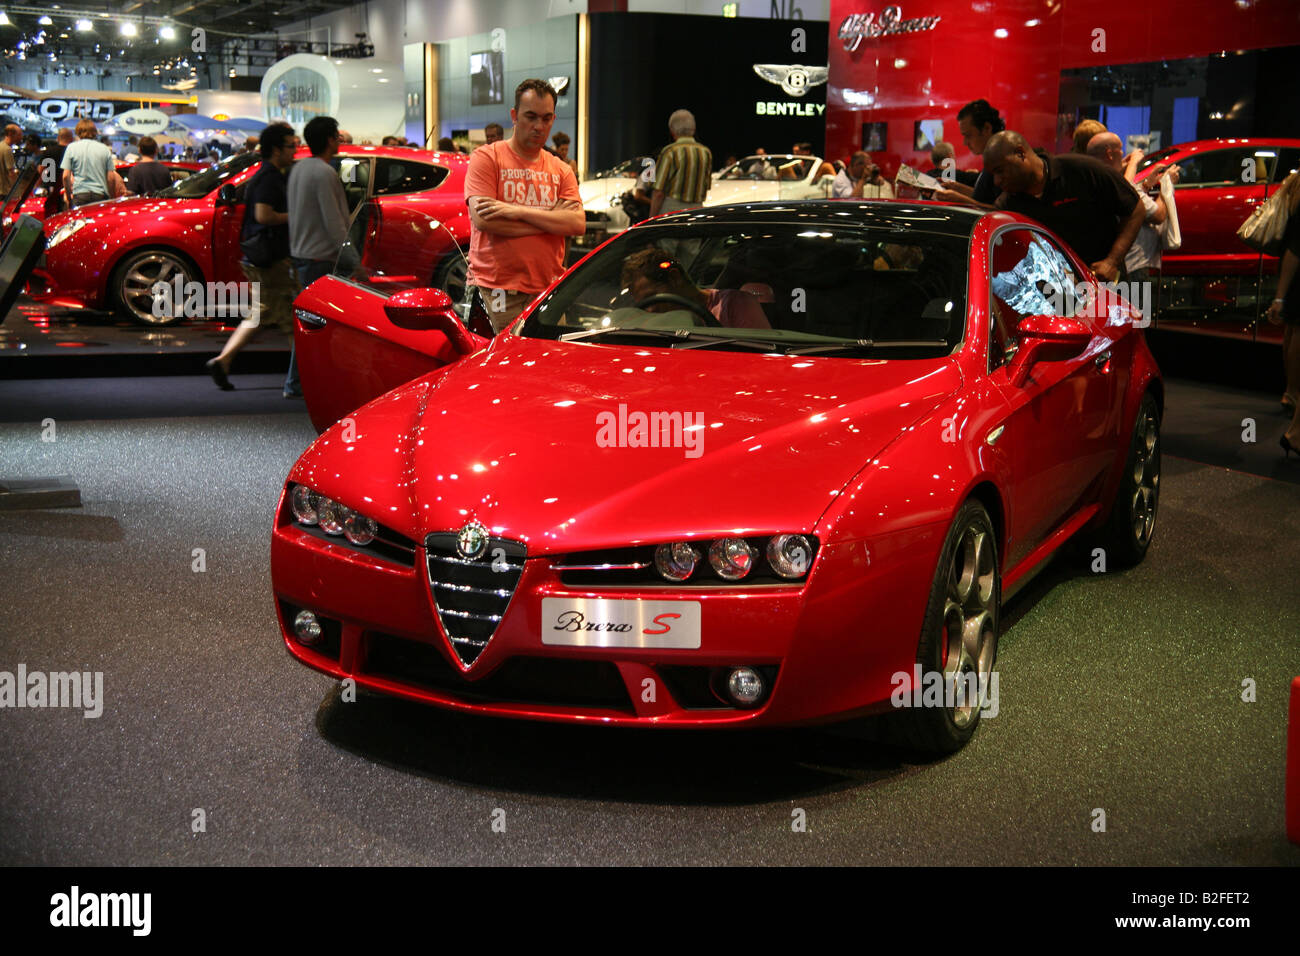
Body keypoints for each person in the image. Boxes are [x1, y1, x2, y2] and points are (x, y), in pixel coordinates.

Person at [464, 78, 584, 333]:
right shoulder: (487, 158)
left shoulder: (561, 169)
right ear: (514, 115)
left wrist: (517, 211)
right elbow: (485, 220)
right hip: (497, 290)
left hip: (548, 290)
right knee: (498, 368)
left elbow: (576, 223)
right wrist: (551, 221)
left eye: (546, 118)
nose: (539, 126)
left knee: (548, 367)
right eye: (530, 116)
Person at [205, 124, 300, 392]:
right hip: (271, 257)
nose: (294, 151)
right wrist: (295, 217)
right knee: (290, 320)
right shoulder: (270, 178)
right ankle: (302, 378)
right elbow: (264, 216)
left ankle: (223, 361)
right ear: (277, 149)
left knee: (263, 314)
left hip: (259, 256)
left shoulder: (266, 175)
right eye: (291, 146)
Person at [985, 130, 1144, 282]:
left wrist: (1112, 261)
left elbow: (1136, 209)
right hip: (1053, 298)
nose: (997, 181)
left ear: (1020, 154)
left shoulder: (1082, 170)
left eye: (1000, 171)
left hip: (1105, 287)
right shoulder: (1007, 205)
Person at [285, 115, 352, 398]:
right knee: (315, 325)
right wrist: (353, 260)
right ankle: (297, 383)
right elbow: (336, 224)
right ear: (328, 139)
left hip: (301, 256)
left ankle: (300, 382)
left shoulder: (298, 170)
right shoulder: (325, 174)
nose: (339, 141)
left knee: (310, 323)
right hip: (320, 260)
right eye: (337, 136)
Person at [1086, 131, 1174, 281]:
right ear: (1109, 153)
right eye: (1120, 150)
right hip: (1130, 264)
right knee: (1135, 304)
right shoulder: (1119, 187)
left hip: (1112, 263)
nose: (1123, 154)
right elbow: (1157, 215)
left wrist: (1145, 185)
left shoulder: (1092, 180)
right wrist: (1167, 186)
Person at [620, 247, 770, 329]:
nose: (649, 310)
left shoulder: (736, 304)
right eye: (644, 303)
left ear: (674, 277)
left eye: (652, 297)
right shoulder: (649, 321)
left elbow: (758, 359)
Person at [1264, 172, 1300, 456]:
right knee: (1295, 333)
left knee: (1293, 331)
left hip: (1295, 277)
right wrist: (1279, 295)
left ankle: (1291, 392)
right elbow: (1295, 250)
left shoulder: (1294, 183)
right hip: (1296, 274)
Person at [932, 99, 1005, 209]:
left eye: (968, 135)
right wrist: (956, 187)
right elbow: (985, 197)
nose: (965, 143)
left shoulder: (1003, 162)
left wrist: (959, 199)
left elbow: (1003, 211)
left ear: (986, 128)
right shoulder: (991, 160)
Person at [650, 109, 712, 217]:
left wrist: (651, 219)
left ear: (672, 130)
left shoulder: (670, 151)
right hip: (697, 212)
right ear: (694, 129)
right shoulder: (705, 152)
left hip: (671, 213)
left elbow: (658, 193)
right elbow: (707, 186)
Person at [61, 119, 123, 207]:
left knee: (79, 221)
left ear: (78, 131)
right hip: (100, 196)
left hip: (80, 196)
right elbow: (111, 177)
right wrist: (111, 198)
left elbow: (65, 176)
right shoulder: (104, 149)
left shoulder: (71, 148)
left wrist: (68, 198)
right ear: (95, 132)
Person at [37, 128, 74, 216]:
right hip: (67, 187)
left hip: (50, 188)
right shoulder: (72, 151)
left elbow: (41, 169)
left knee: (50, 213)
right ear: (71, 139)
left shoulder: (49, 151)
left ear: (58, 138)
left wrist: (39, 184)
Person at [0, 123, 22, 194]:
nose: (21, 137)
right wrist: (19, 191)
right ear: (10, 134)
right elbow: (11, 173)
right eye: (19, 134)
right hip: (4, 190)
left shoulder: (1, 145)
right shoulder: (7, 149)